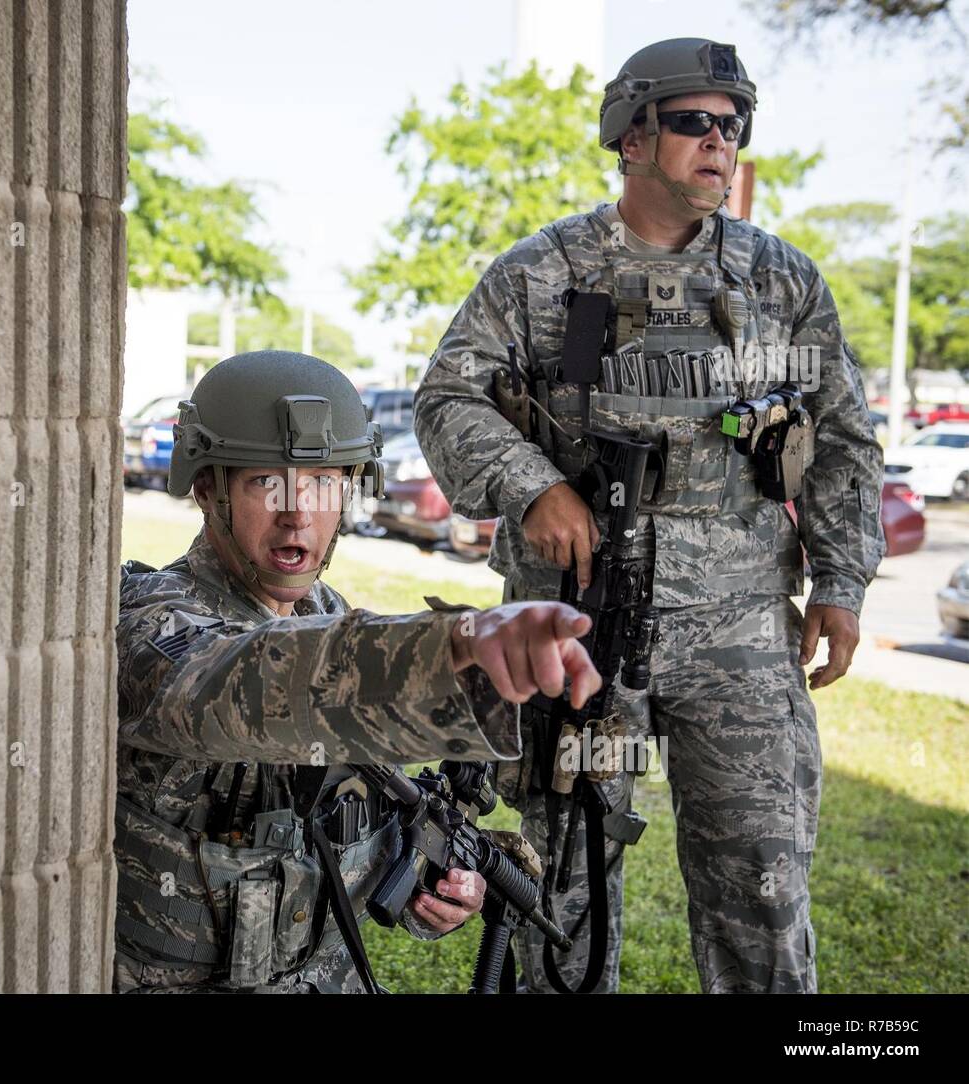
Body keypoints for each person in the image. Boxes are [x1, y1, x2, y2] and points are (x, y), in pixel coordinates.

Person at [413, 38, 885, 993]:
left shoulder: (780, 284)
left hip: (743, 635)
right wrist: (532, 483)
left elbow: (841, 439)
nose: (721, 143)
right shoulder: (542, 273)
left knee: (762, 877)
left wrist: (840, 581)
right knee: (568, 879)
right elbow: (446, 397)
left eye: (734, 126)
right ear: (631, 135)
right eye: (694, 123)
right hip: (582, 624)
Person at [114, 349, 603, 992]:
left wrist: (436, 884)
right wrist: (451, 647)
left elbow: (353, 815)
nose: (299, 513)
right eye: (267, 482)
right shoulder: (148, 620)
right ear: (208, 490)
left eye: (322, 483)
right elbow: (247, 682)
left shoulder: (326, 613)